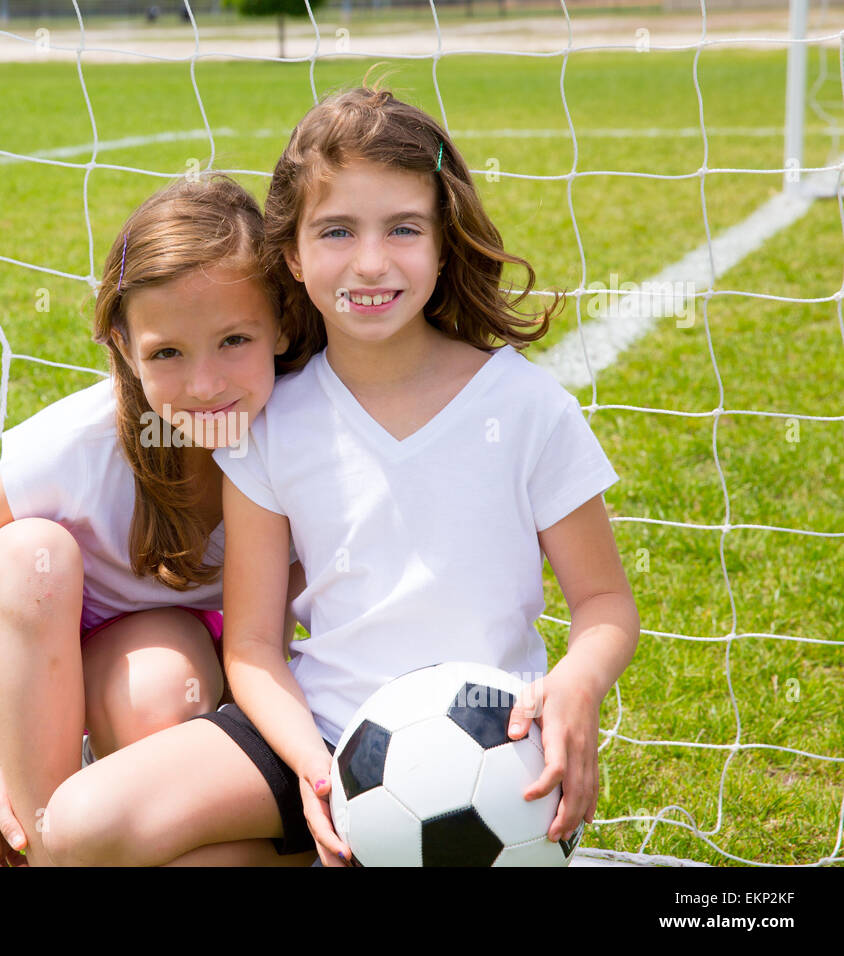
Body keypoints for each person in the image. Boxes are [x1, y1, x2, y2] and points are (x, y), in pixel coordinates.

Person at [41, 84, 639, 866]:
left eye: (402, 228)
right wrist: (317, 771)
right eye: (336, 231)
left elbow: (605, 605)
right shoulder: (273, 424)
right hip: (317, 731)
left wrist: (578, 684)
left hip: (496, 753)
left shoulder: (526, 407)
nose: (370, 260)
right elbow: (252, 646)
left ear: (442, 242)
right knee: (77, 826)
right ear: (290, 253)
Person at [0, 175, 311, 867]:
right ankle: (45, 844)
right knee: (32, 557)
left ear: (283, 323)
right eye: (167, 353)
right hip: (28, 622)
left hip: (175, 645)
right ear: (122, 343)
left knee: (161, 699)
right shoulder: (80, 447)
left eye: (234, 339)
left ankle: (111, 825)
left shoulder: (307, 433)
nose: (205, 385)